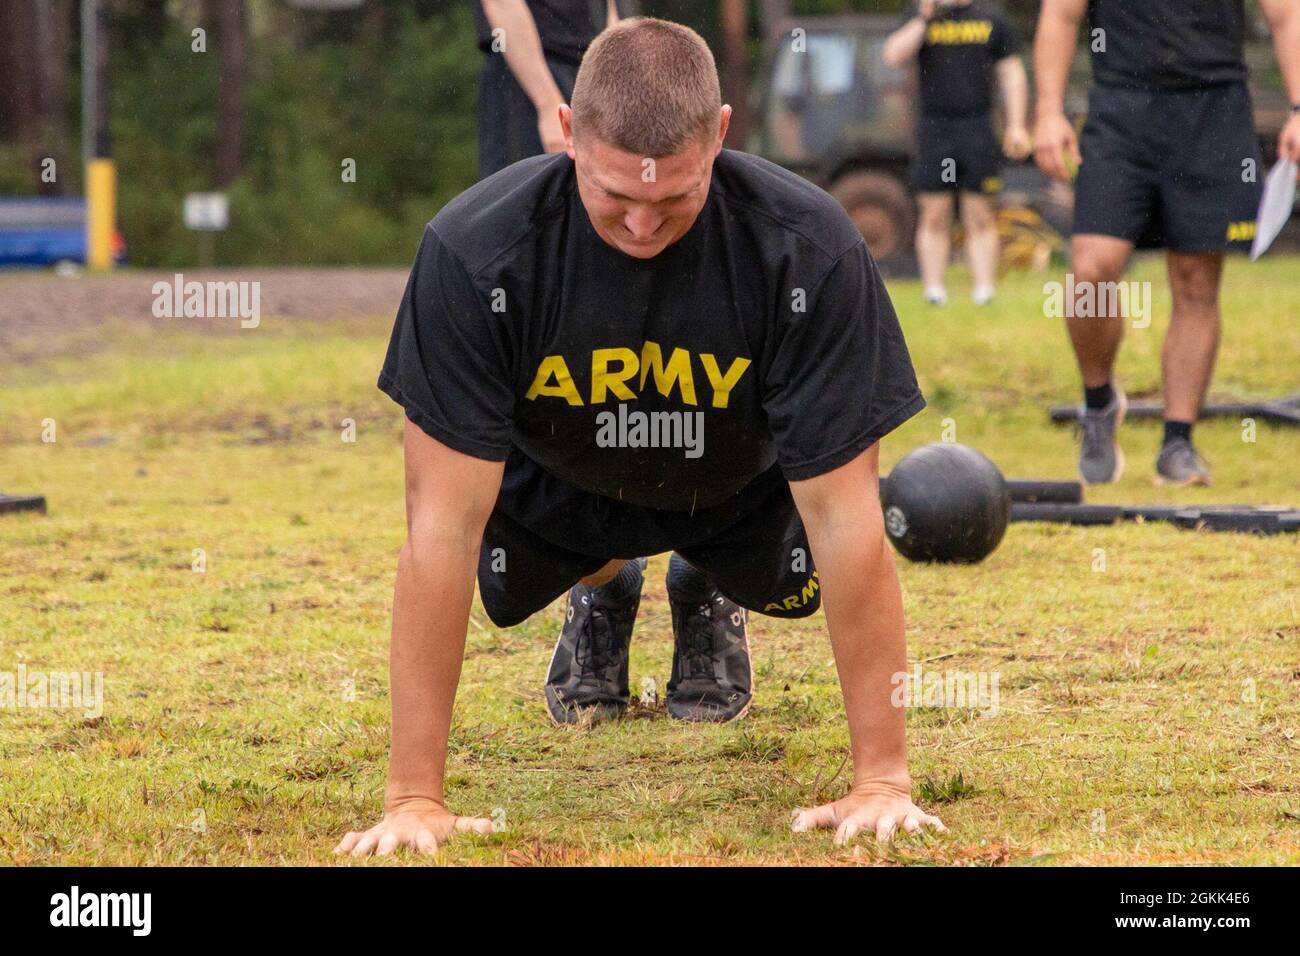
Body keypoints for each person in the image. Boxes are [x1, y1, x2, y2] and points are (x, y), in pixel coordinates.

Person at [336, 18, 946, 856]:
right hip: (560, 491)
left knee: (802, 569)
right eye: (614, 196)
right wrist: (413, 798)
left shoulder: (810, 251)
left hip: (740, 491)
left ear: (722, 135)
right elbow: (437, 529)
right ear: (565, 134)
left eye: (673, 199)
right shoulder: (475, 255)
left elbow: (845, 519)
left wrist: (882, 781)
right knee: (491, 555)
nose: (641, 226)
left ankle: (706, 583)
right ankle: (608, 579)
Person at [1033, 0, 1300, 485]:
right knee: (1091, 271)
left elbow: (1287, 15)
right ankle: (1098, 405)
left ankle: (1177, 442)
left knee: (1196, 280)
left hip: (1214, 108)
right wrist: (1048, 112)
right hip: (1120, 108)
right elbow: (1060, 15)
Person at [883, 0, 1031, 307]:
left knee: (979, 212)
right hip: (934, 127)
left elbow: (1011, 73)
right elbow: (893, 56)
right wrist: (924, 18)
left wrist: (1016, 125)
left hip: (978, 125)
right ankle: (934, 291)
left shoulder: (991, 17)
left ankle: (984, 291)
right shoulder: (921, 14)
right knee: (934, 212)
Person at [476, 0, 620, 180]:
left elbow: (612, 11)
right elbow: (502, 3)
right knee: (525, 194)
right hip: (528, 76)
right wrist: (548, 106)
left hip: (591, 68)